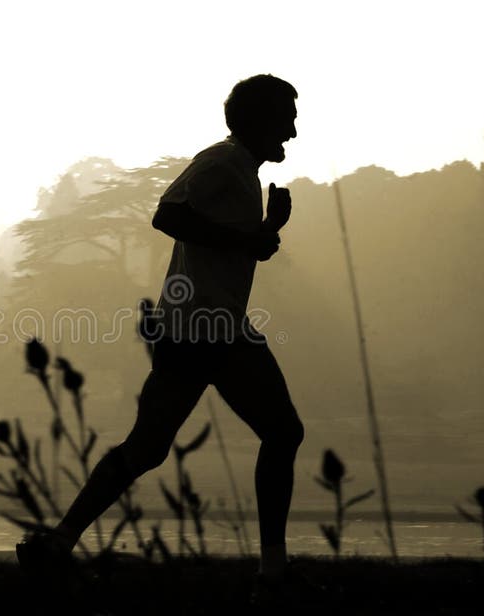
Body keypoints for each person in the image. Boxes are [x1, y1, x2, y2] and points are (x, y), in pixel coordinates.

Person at [17, 74, 303, 587]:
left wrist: (266, 231)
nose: (293, 133)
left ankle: (58, 543)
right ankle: (273, 571)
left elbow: (227, 246)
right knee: (283, 433)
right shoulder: (222, 162)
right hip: (211, 328)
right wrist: (252, 239)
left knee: (147, 448)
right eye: (287, 121)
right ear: (261, 121)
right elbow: (168, 216)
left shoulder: (238, 169)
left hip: (192, 328)